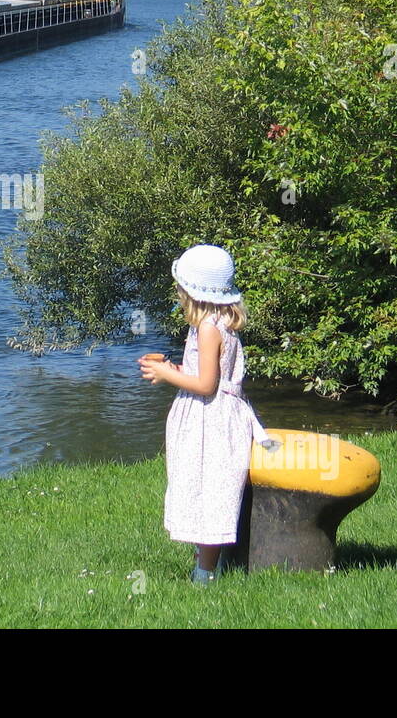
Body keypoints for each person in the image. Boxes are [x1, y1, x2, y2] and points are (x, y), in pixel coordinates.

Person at [138, 244, 273, 586]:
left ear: (190, 291)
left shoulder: (208, 328)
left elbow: (205, 384)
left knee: (208, 491)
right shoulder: (220, 322)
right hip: (216, 416)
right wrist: (175, 367)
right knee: (207, 489)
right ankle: (211, 563)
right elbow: (207, 372)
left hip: (209, 421)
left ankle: (205, 574)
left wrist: (167, 375)